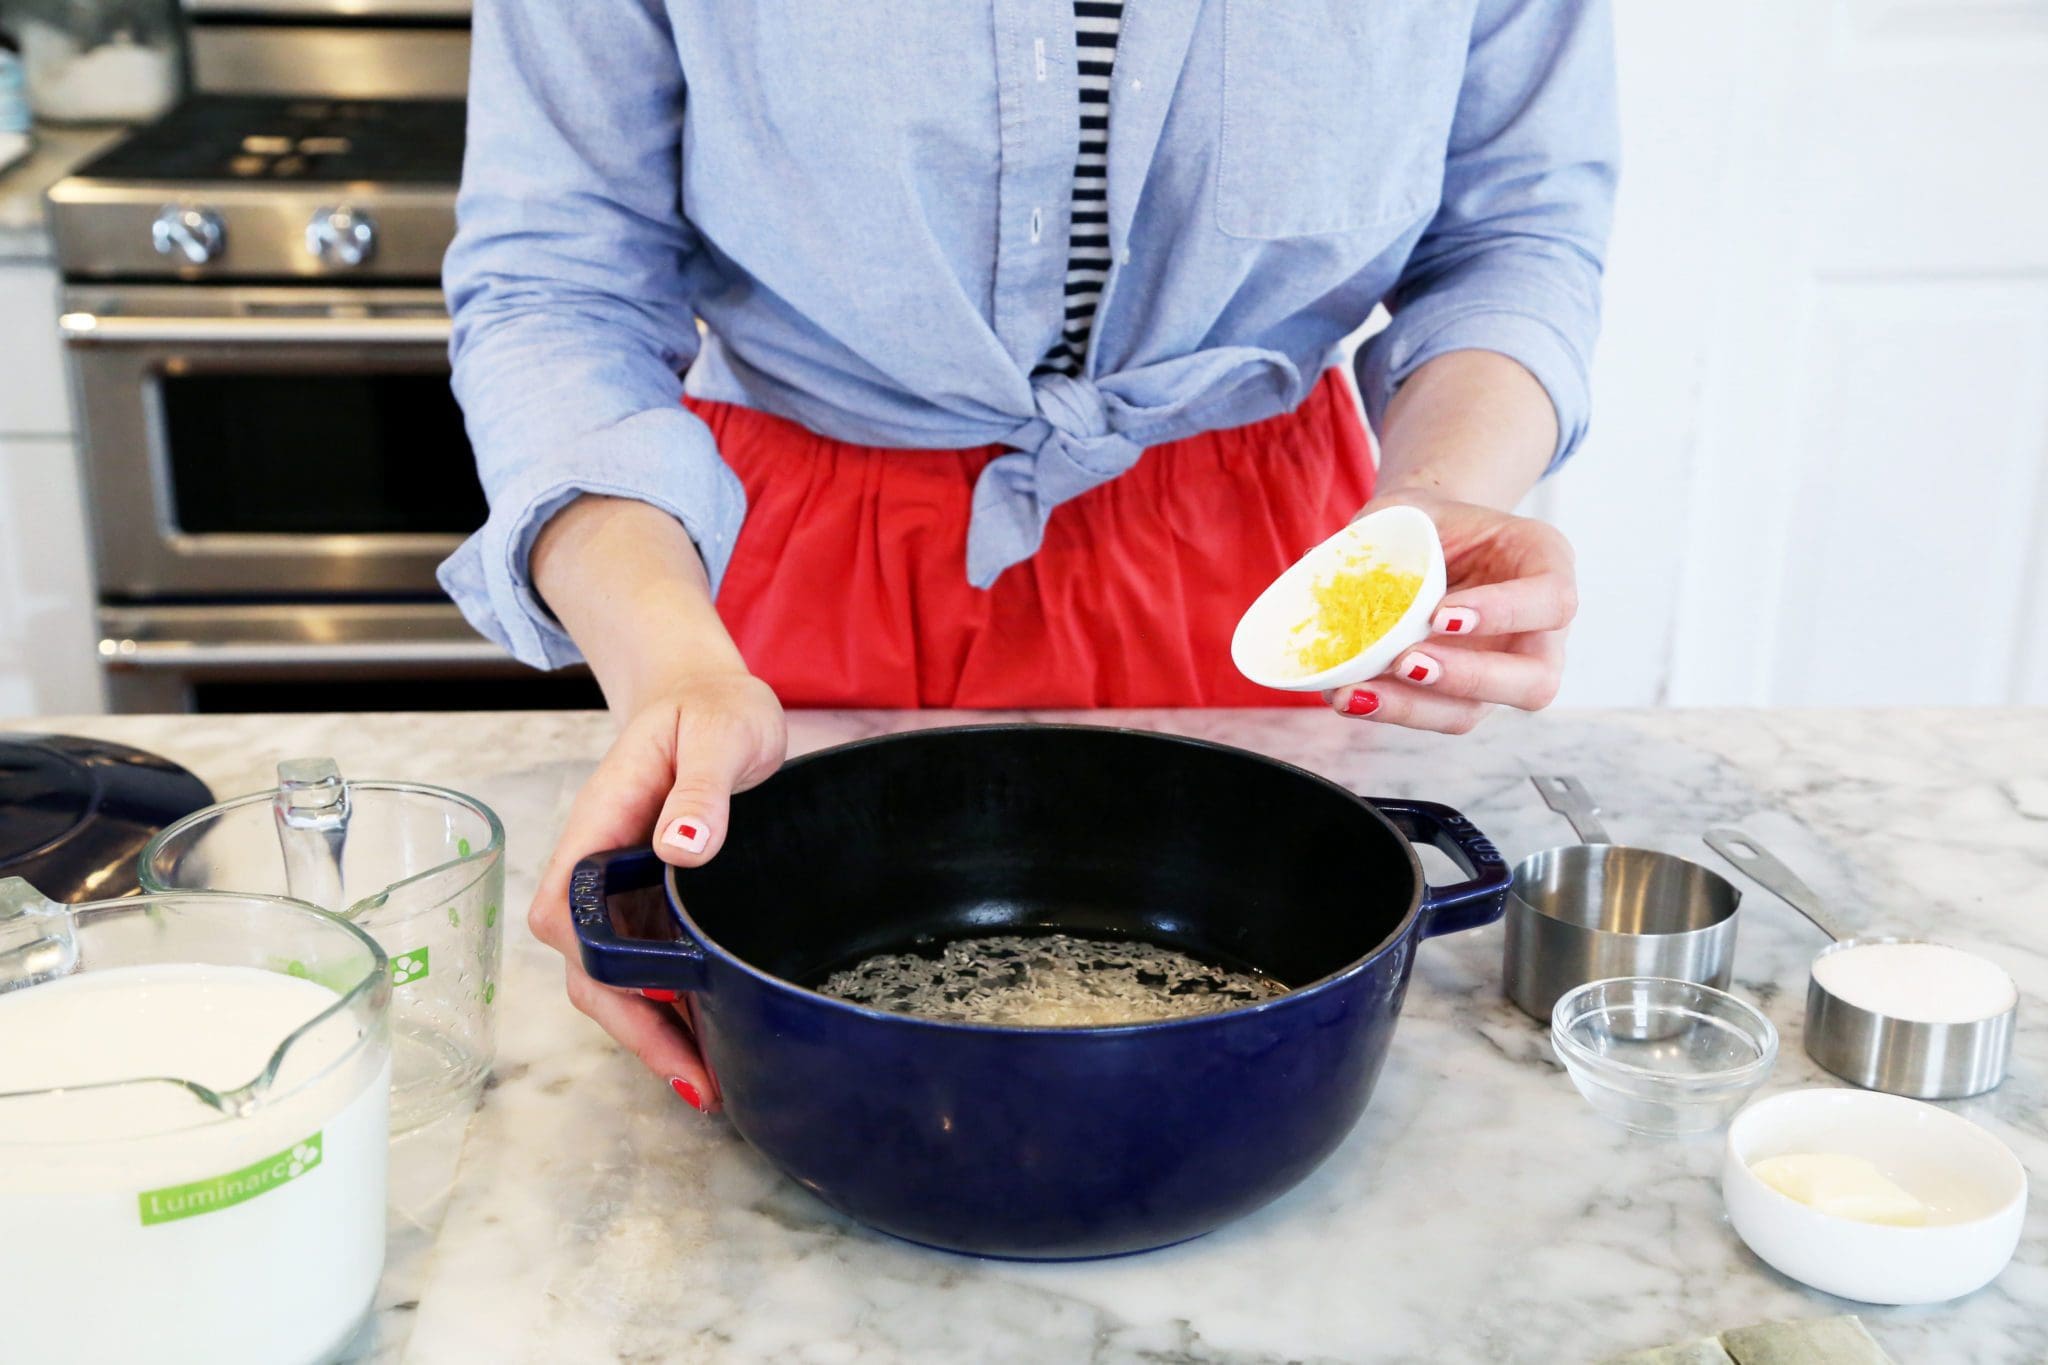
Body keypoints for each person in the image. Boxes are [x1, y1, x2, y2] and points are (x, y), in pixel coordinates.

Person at [443, 2, 1617, 1110]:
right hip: (780, 567)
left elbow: (1511, 231)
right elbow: (558, 278)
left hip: (1261, 561)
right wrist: (667, 668)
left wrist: (1434, 508)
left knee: (1248, 1002)